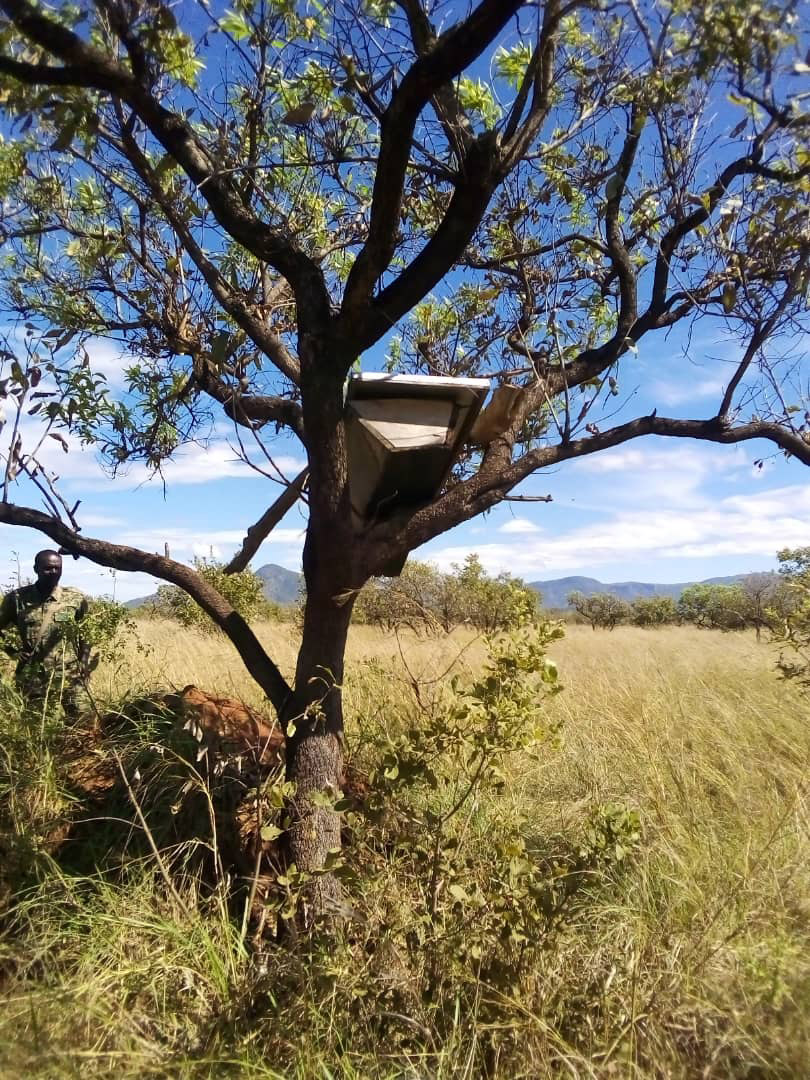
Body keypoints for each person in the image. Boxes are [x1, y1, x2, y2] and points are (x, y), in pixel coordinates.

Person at [0, 549, 95, 718]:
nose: (53, 573)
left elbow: (86, 632)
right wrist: (13, 651)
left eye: (57, 568)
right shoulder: (17, 599)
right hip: (32, 675)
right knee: (36, 724)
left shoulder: (74, 598)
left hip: (69, 673)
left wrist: (84, 663)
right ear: (36, 569)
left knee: (82, 720)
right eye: (48, 568)